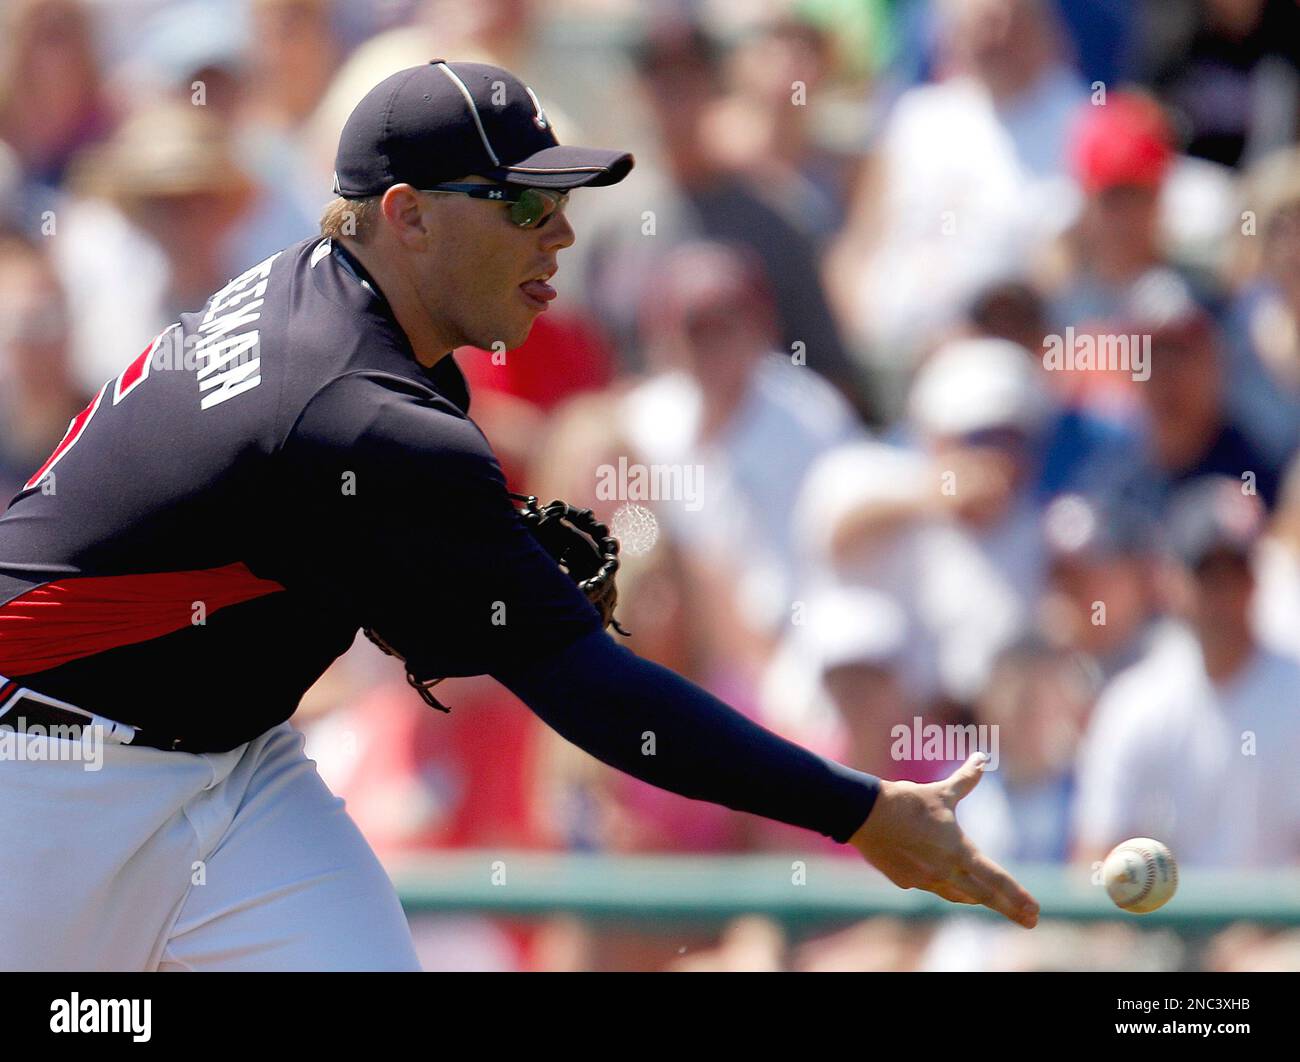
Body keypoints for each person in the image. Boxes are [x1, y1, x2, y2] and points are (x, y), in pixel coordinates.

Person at [0, 60, 1037, 972]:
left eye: (559, 200)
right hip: (47, 776)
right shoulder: (360, 412)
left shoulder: (333, 298)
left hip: (233, 765)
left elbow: (309, 558)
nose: (561, 232)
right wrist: (861, 811)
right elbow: (596, 696)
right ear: (406, 215)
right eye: (519, 204)